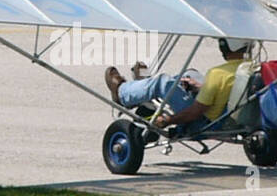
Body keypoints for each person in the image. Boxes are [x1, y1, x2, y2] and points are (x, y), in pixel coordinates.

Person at [105, 38, 253, 132]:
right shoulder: (252, 68)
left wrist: (168, 121)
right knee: (189, 74)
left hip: (203, 122)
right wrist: (201, 88)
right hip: (234, 117)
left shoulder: (218, 74)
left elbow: (195, 111)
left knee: (162, 82)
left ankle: (122, 92)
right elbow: (232, 91)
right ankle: (144, 90)